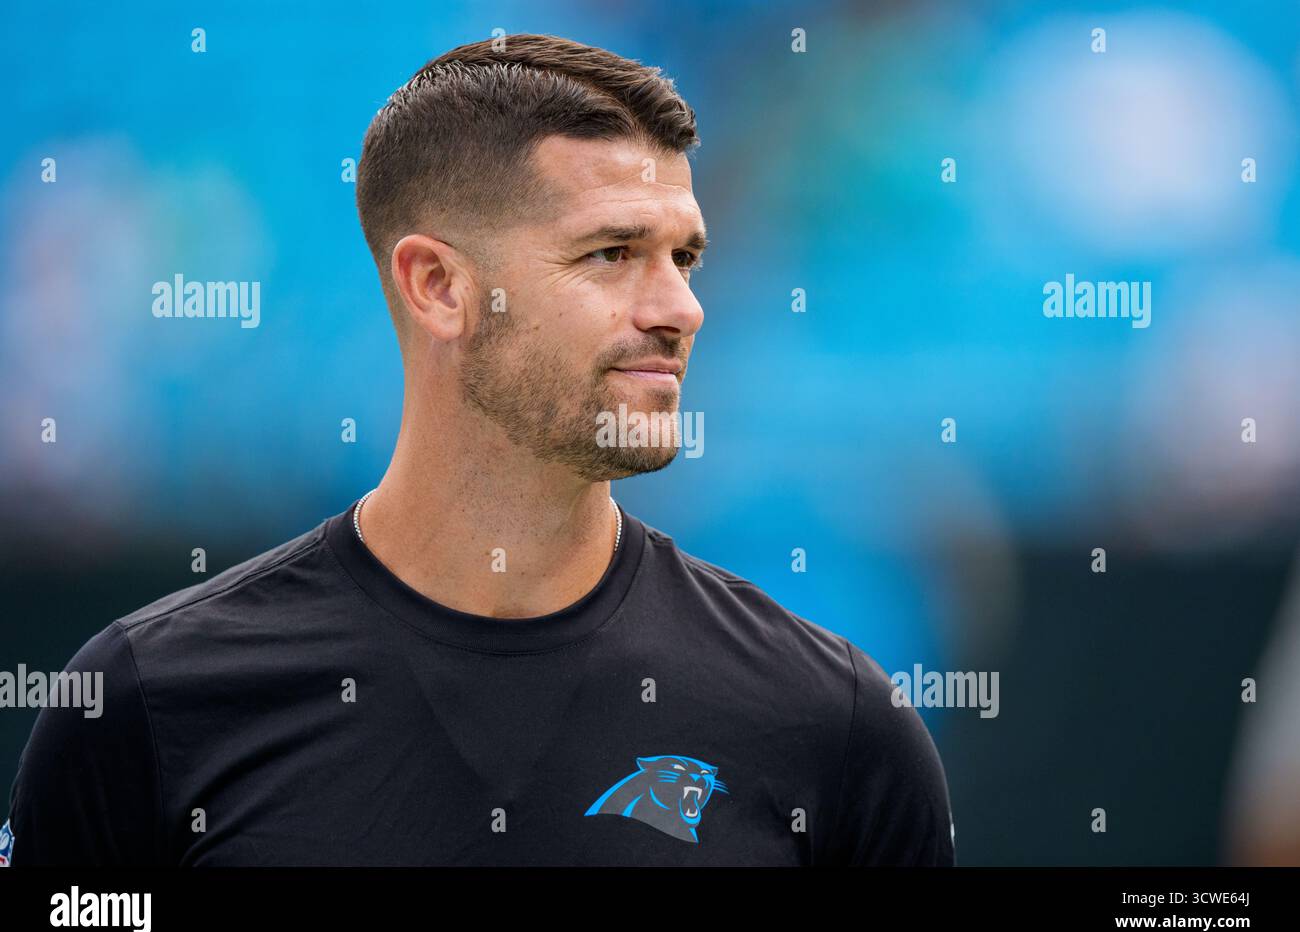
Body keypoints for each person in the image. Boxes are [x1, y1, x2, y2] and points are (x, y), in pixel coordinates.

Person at [3, 33, 954, 865]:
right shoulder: (145, 708)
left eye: (686, 257)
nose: (681, 309)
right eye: (612, 254)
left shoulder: (834, 726)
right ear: (438, 287)